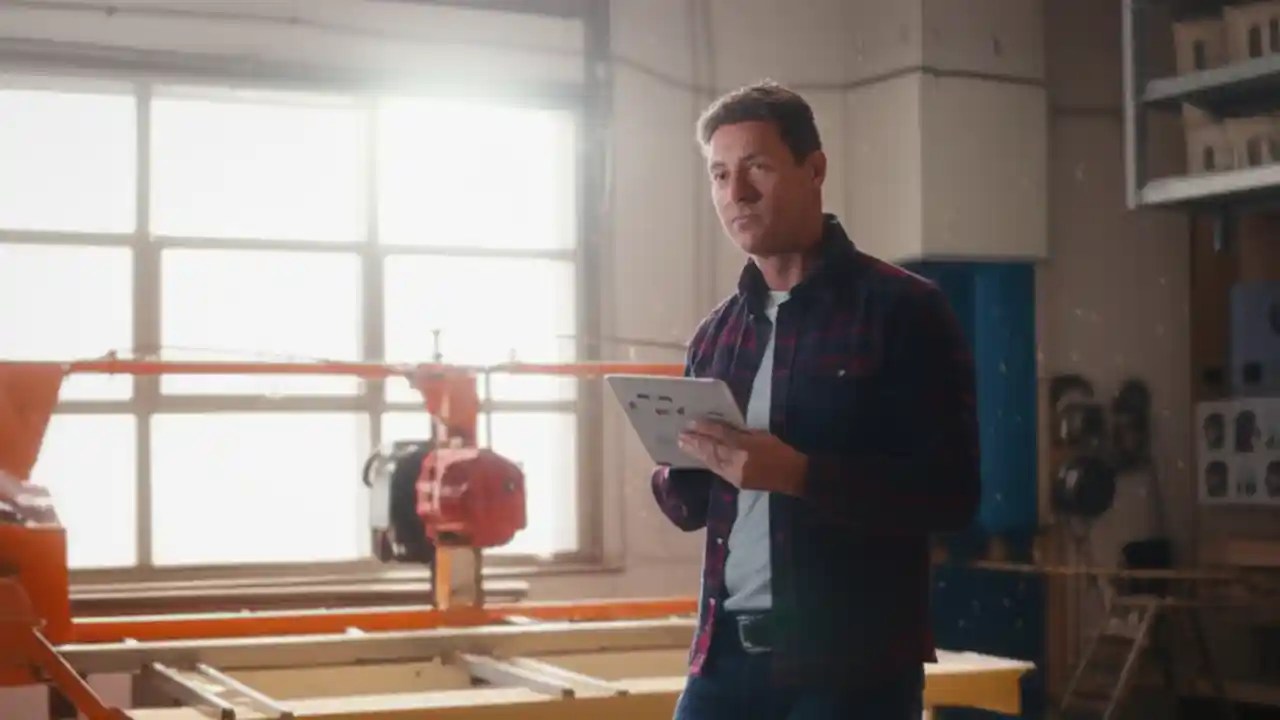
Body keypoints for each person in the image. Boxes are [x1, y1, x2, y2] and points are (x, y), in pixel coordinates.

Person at [651, 81, 981, 719]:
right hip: (722, 664)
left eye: (758, 168)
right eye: (720, 175)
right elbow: (693, 508)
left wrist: (800, 475)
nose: (736, 194)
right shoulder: (717, 335)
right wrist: (676, 462)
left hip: (850, 671)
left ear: (815, 168)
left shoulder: (904, 311)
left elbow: (951, 493)